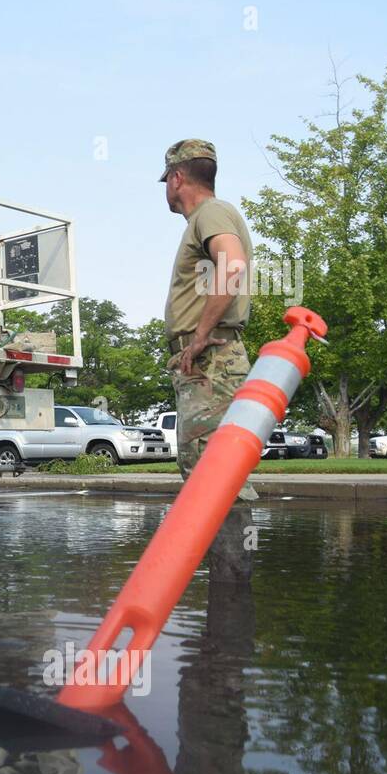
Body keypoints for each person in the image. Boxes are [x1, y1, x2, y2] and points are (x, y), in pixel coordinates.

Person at [160, 139, 258, 502]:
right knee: (210, 476)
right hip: (207, 365)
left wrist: (199, 336)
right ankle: (224, 562)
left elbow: (232, 266)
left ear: (177, 178)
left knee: (214, 478)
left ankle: (231, 562)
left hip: (211, 361)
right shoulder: (210, 217)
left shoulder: (210, 213)